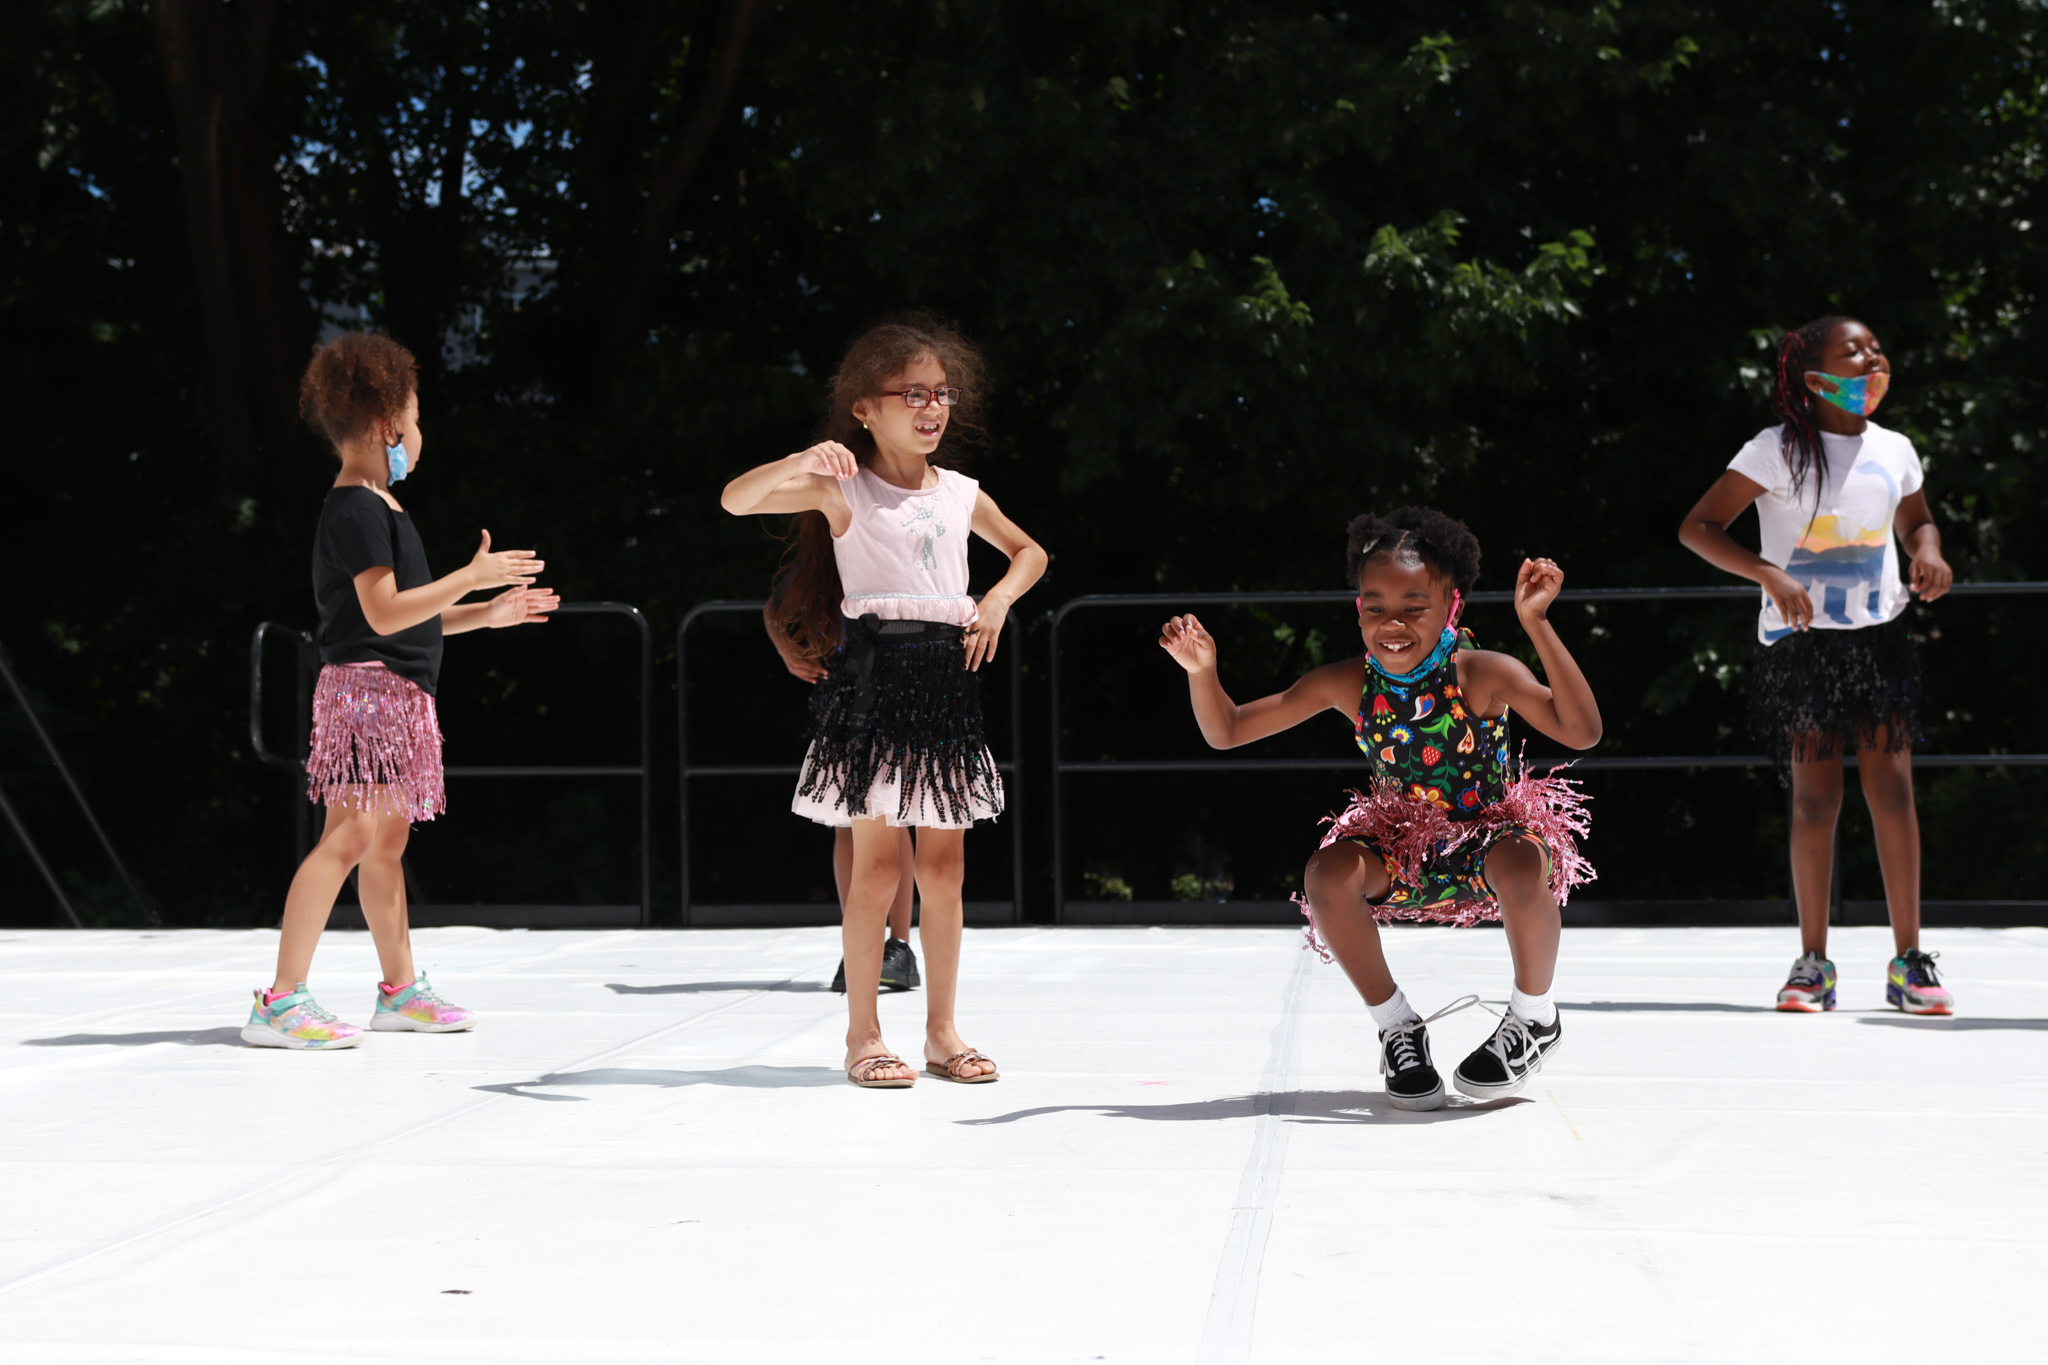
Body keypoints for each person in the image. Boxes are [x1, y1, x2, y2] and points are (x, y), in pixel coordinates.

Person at [1159, 508, 1599, 1110]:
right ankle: (1397, 1027)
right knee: (1326, 872)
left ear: (1452, 607)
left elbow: (1582, 731)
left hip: (1489, 840)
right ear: (1358, 609)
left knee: (1524, 859)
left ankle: (1533, 1018)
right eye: (1375, 606)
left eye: (1414, 607)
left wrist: (1537, 624)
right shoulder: (1347, 682)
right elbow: (1229, 730)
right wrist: (1202, 674)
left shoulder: (1482, 672)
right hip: (1404, 848)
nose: (1393, 623)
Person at [721, 313, 1046, 1087]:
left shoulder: (962, 492)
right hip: (873, 682)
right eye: (912, 394)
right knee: (874, 868)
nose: (932, 407)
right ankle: (862, 1033)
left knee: (944, 867)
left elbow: (1031, 552)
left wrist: (995, 600)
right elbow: (736, 500)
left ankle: (942, 1032)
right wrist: (802, 457)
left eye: (941, 392)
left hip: (946, 685)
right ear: (864, 407)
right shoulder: (844, 488)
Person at [241, 331, 559, 1050]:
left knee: (385, 841)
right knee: (349, 836)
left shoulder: (380, 508)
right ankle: (281, 999)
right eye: (414, 422)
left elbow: (409, 615)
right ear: (389, 427)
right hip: (366, 695)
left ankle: (399, 990)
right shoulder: (355, 510)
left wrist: (488, 610)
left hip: (397, 695)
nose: (418, 436)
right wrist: (470, 576)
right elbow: (385, 614)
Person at [1679, 315, 1954, 1015]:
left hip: (1878, 638)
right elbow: (1699, 527)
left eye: (1874, 346)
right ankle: (1813, 963)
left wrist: (1929, 551)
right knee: (1814, 799)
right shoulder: (1776, 450)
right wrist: (1768, 574)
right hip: (1803, 645)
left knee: (1893, 793)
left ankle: (1909, 961)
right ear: (1814, 378)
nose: (1872, 356)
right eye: (1852, 350)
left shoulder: (1895, 448)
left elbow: (1917, 520)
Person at [761, 585, 920, 993]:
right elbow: (776, 602)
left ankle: (898, 945)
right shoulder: (832, 527)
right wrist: (786, 650)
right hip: (842, 680)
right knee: (847, 818)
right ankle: (860, 940)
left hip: (898, 670)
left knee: (891, 810)